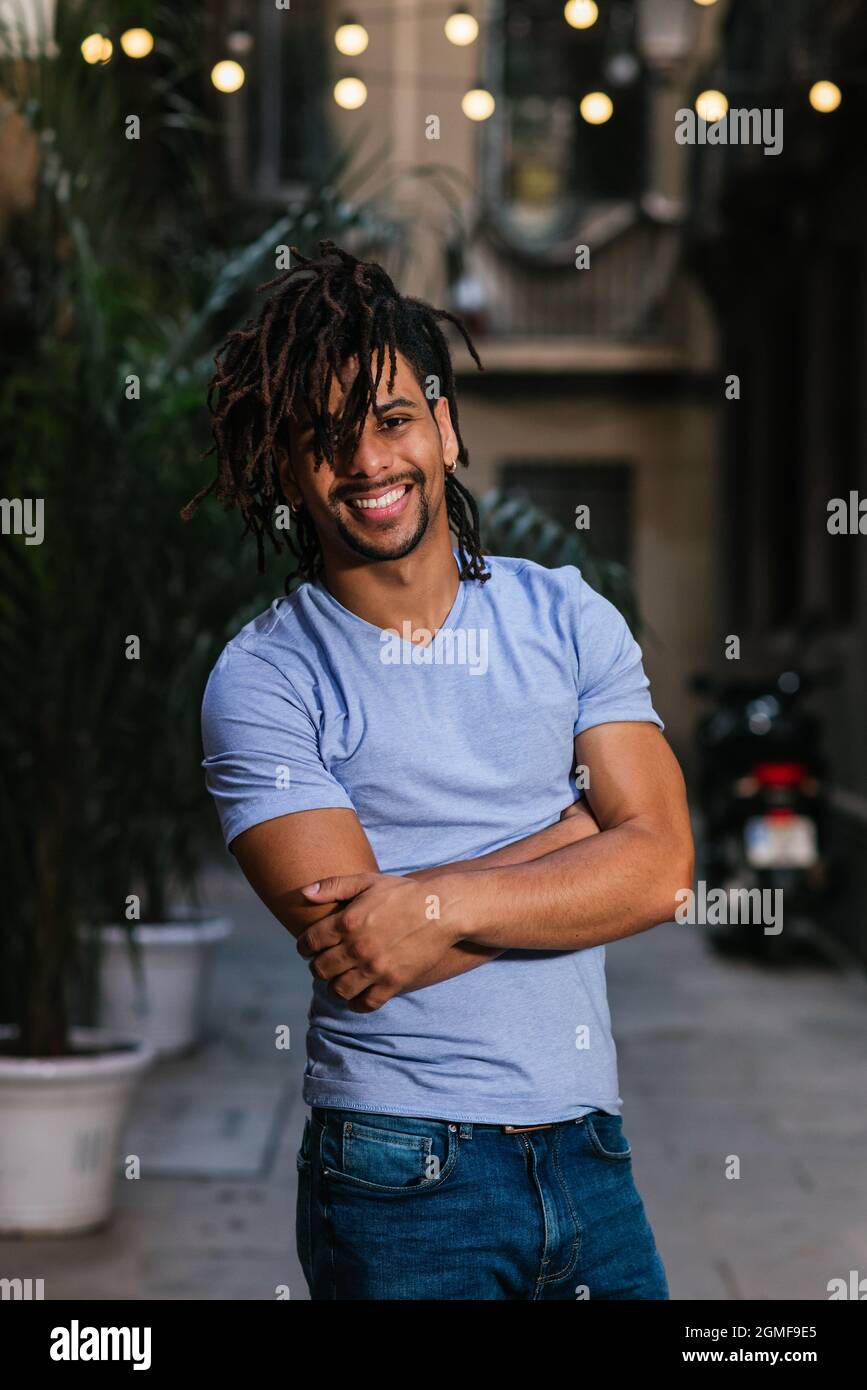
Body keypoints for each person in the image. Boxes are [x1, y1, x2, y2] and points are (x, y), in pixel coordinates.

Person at [184, 239, 694, 1301]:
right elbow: (362, 948)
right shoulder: (265, 677)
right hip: (399, 1173)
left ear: (446, 426)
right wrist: (582, 831)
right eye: (325, 439)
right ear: (287, 469)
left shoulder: (566, 614)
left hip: (591, 1154)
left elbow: (663, 874)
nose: (369, 461)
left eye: (394, 417)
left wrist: (430, 900)